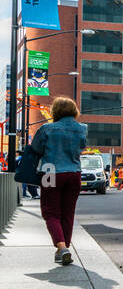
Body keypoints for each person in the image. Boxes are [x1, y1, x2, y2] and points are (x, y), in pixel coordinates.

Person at [26, 97, 87, 266]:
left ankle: (62, 247)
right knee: (68, 214)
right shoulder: (82, 129)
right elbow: (81, 147)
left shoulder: (47, 128)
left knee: (50, 212)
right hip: (74, 173)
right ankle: (64, 249)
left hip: (50, 171)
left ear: (55, 111)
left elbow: (36, 148)